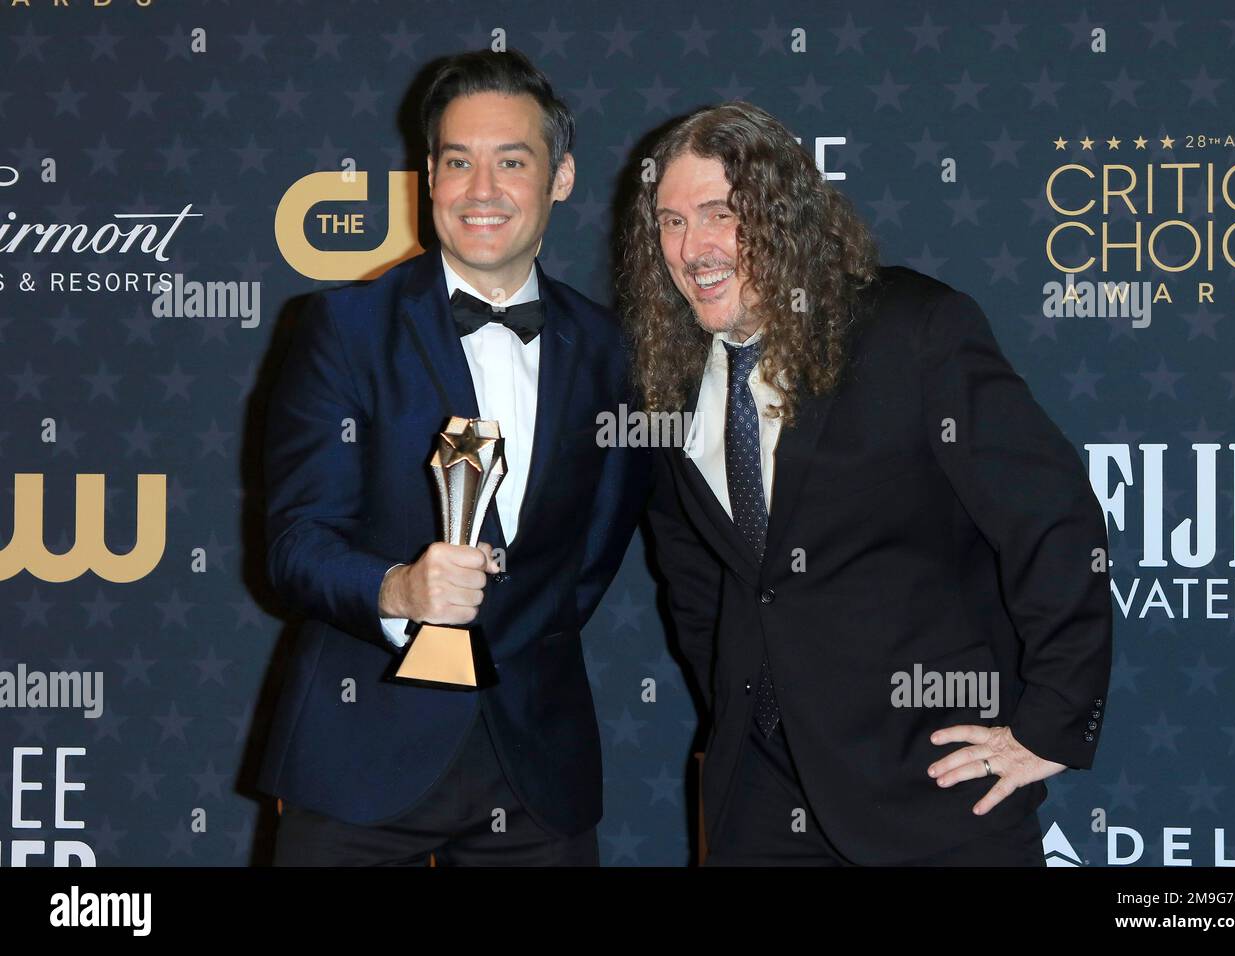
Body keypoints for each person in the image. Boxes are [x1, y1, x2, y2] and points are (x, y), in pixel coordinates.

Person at [620, 101, 1112, 866]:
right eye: (671, 222)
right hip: (759, 796)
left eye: (720, 214)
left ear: (783, 215)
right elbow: (695, 579)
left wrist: (1051, 723)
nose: (693, 247)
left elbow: (1054, 522)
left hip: (934, 788)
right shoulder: (669, 378)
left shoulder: (912, 330)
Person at [259, 49, 647, 865]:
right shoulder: (343, 328)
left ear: (561, 178)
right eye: (457, 162)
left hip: (536, 764)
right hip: (361, 751)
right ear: (427, 178)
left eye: (512, 161)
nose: (482, 191)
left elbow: (595, 552)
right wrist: (398, 589)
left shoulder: (612, 351)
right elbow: (295, 543)